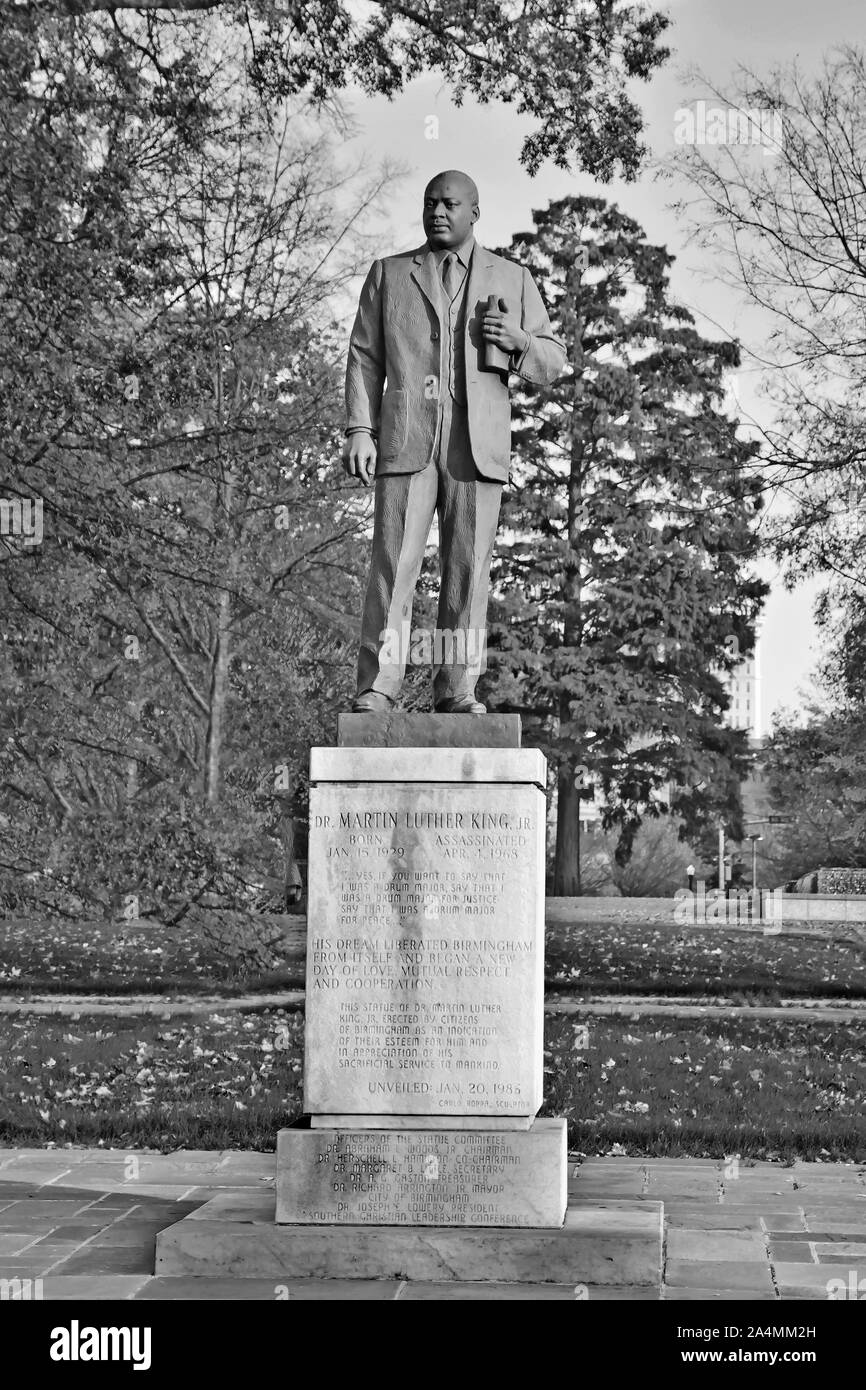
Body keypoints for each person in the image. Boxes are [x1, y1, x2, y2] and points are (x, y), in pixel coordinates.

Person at [343, 170, 565, 714]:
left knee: (467, 569)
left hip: (475, 448)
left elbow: (553, 360)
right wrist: (359, 429)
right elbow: (364, 356)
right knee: (392, 565)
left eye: (449, 204)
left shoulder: (511, 278)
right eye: (430, 203)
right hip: (404, 441)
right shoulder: (390, 274)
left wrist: (518, 343)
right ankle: (378, 686)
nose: (437, 212)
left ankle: (457, 689)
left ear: (475, 212)